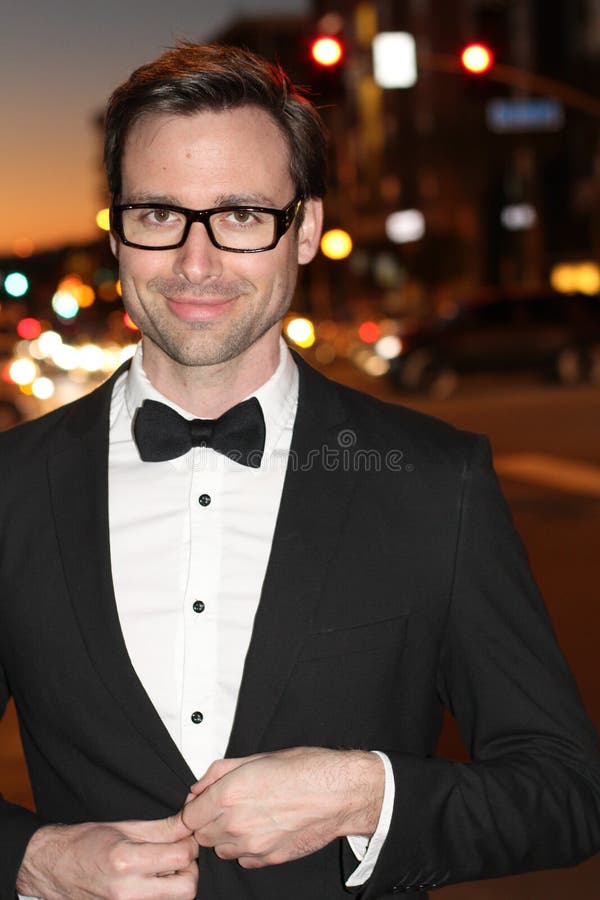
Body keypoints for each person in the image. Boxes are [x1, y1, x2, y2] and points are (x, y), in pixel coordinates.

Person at [2, 43, 600, 900]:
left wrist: (367, 794)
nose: (196, 263)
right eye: (159, 213)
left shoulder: (439, 479)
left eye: (242, 215)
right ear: (116, 228)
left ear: (306, 227)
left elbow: (568, 791)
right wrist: (30, 859)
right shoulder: (12, 488)